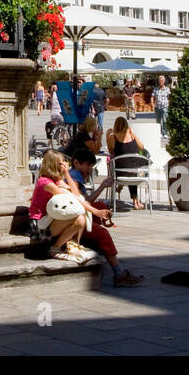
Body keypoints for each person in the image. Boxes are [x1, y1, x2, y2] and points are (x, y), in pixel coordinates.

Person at [67, 149, 142, 285]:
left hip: (77, 215)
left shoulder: (74, 174)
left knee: (101, 205)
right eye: (88, 165)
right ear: (77, 163)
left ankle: (98, 245)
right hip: (74, 220)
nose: (90, 169)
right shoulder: (74, 176)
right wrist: (102, 186)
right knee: (102, 234)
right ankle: (119, 273)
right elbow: (83, 202)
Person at [103, 115, 149, 209]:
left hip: (120, 173)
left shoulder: (113, 137)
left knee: (124, 167)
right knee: (131, 167)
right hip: (135, 172)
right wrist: (132, 133)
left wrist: (108, 136)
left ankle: (119, 188)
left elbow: (111, 152)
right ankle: (135, 201)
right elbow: (141, 147)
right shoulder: (131, 135)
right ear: (126, 126)